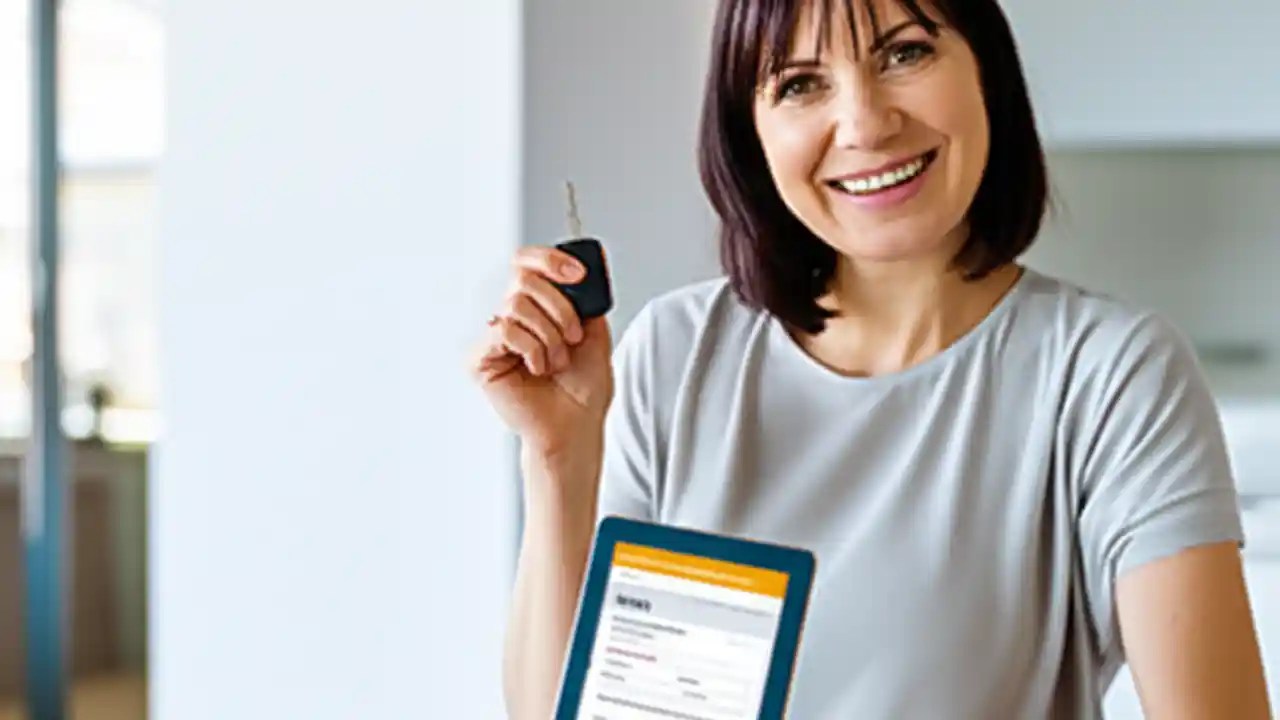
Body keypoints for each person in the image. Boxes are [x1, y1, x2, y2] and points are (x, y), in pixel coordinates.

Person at [470, 0, 1274, 717]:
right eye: (799, 84)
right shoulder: (674, 354)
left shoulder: (1111, 377)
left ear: (986, 70)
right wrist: (557, 457)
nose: (863, 123)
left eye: (905, 53)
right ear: (751, 133)